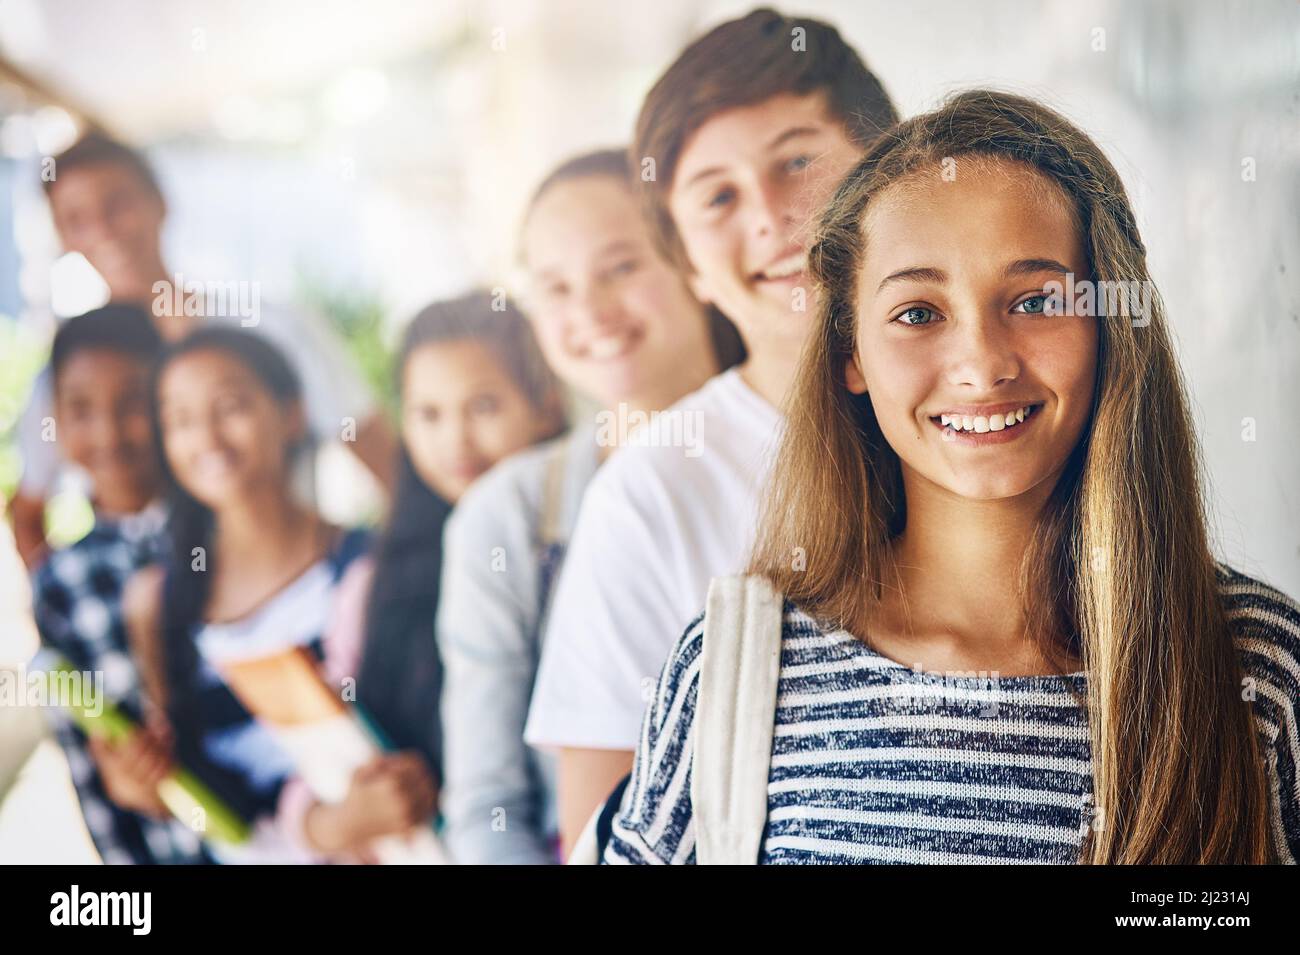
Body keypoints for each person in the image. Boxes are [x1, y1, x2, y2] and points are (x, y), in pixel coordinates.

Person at [605, 90, 1300, 865]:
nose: (982, 364)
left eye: (1035, 300)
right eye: (918, 313)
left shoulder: (1260, 669)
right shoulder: (736, 669)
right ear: (850, 355)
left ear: (1110, 326)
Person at [523, 7, 899, 851]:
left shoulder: (990, 413)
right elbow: (598, 833)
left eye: (798, 161)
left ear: (890, 169)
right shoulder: (651, 491)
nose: (769, 216)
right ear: (688, 262)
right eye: (719, 196)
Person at [436, 150, 731, 863]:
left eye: (621, 267)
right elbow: (488, 804)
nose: (590, 312)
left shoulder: (814, 458)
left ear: (693, 260)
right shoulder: (506, 515)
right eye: (555, 287)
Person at [9, 133, 396, 569]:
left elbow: (377, 452)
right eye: (76, 218)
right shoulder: (70, 371)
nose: (103, 230)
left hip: (288, 582)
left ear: (160, 202)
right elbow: (27, 511)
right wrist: (71, 606)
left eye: (118, 204)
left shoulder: (269, 325)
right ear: (61, 236)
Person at [278, 291, 566, 862]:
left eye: (484, 406)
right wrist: (341, 820)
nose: (455, 440)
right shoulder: (372, 582)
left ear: (545, 405)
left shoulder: (581, 546)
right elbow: (318, 759)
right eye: (428, 414)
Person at [117, 327, 370, 862]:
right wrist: (148, 786)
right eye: (180, 420)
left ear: (292, 413)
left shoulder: (365, 571)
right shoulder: (157, 605)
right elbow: (198, 801)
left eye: (230, 406)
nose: (206, 438)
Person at [30, 305, 210, 864]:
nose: (107, 430)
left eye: (131, 401)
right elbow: (89, 769)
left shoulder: (228, 521)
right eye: (80, 408)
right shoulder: (59, 584)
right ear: (55, 421)